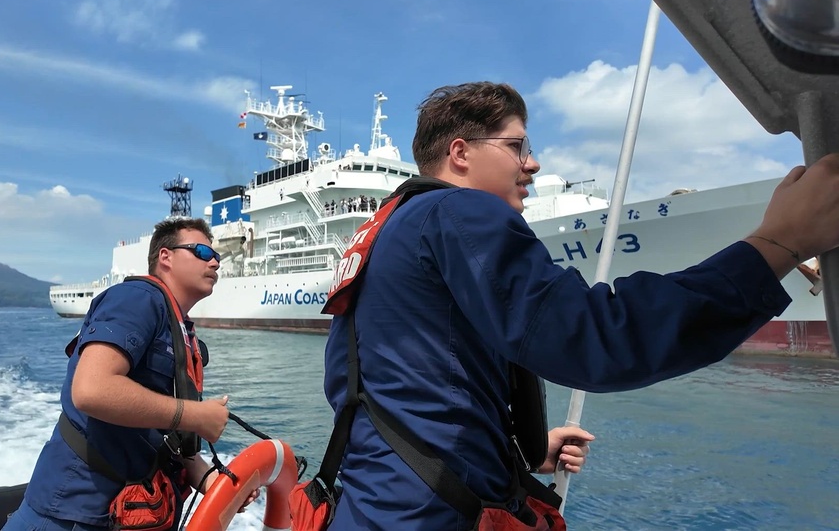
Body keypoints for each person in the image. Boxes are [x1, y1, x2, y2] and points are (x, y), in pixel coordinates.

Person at [321, 81, 839, 530]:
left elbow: (406, 394)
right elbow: (599, 339)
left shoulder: (385, 234)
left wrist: (518, 449)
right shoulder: (458, 211)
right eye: (517, 146)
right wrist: (777, 244)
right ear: (460, 153)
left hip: (372, 509)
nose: (533, 163)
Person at [5, 217, 256, 531]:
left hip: (129, 515)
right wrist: (195, 415)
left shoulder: (180, 329)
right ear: (165, 257)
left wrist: (214, 482)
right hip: (71, 514)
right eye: (203, 252)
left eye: (216, 255)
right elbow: (92, 390)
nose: (216, 262)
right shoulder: (137, 299)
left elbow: (167, 437)